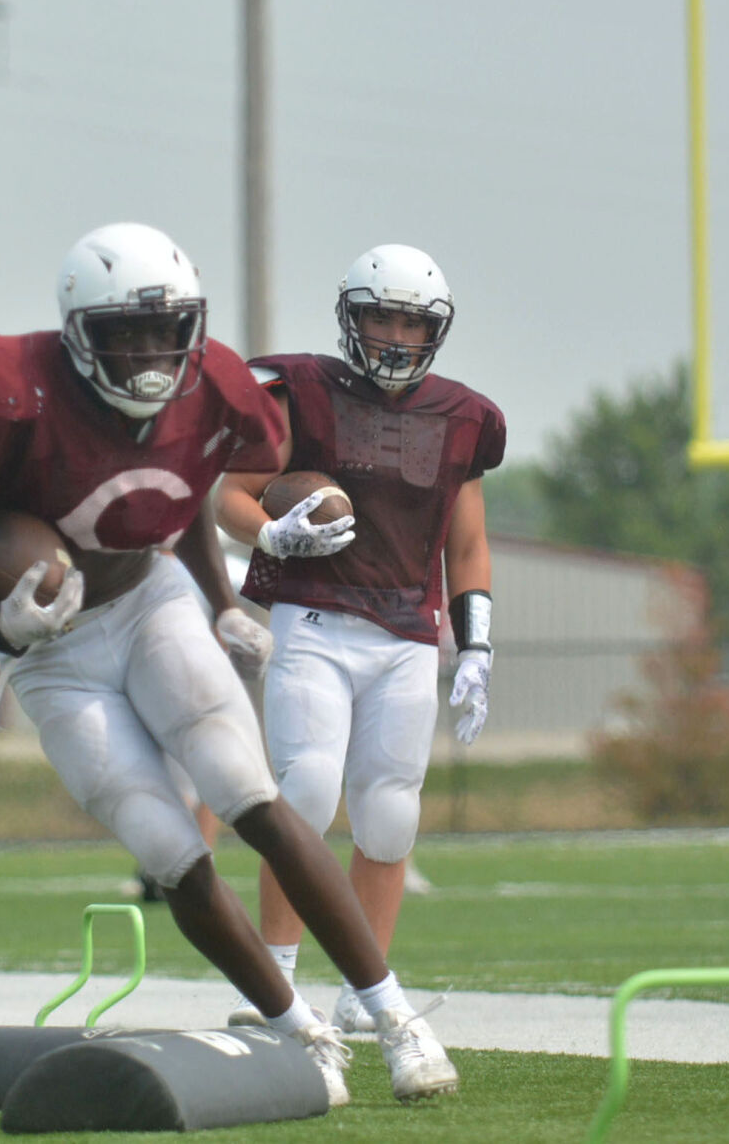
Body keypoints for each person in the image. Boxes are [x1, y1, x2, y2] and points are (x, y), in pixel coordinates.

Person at [0, 222, 456, 1104]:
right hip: (54, 651)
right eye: (126, 332)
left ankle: (394, 1015)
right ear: (78, 330)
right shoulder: (3, 389)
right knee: (168, 846)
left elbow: (181, 484)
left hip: (148, 599)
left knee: (250, 793)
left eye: (166, 330)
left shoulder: (212, 385)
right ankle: (294, 1029)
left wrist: (221, 603)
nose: (151, 353)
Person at [215, 244, 503, 1036]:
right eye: (381, 313)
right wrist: (272, 538)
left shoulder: (464, 417)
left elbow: (466, 544)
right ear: (352, 315)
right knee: (304, 790)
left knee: (388, 814)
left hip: (407, 630)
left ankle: (361, 987)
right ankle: (272, 980)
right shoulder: (302, 390)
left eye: (412, 319)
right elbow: (228, 496)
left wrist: (474, 643)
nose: (395, 333)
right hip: (313, 614)